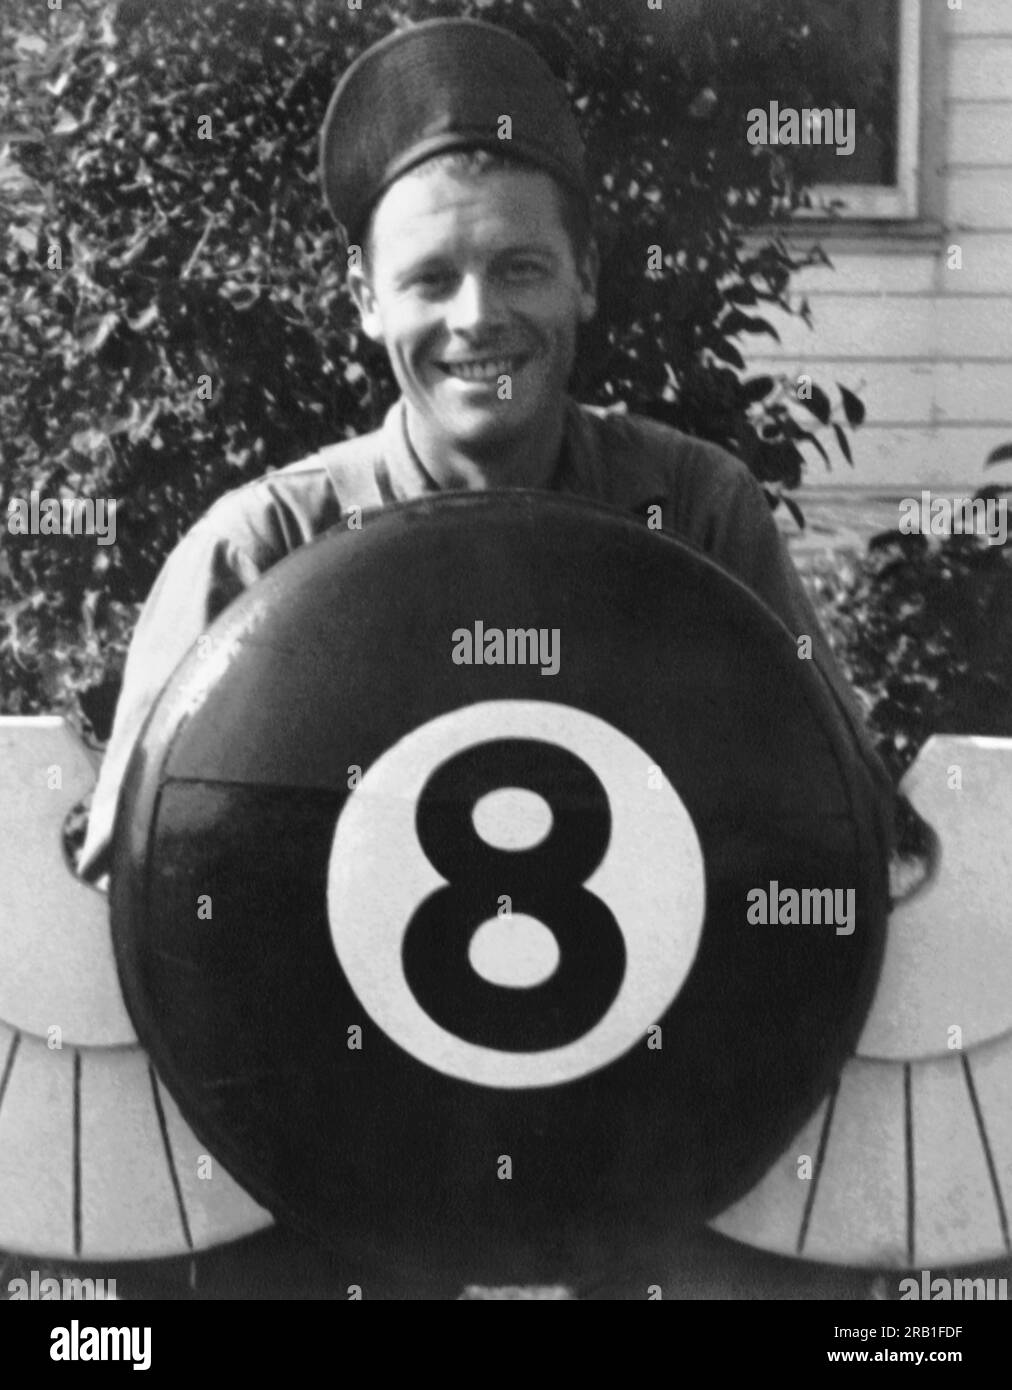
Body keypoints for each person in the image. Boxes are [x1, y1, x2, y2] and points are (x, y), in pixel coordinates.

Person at [78, 15, 893, 883]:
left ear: (584, 276)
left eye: (520, 268)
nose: (477, 318)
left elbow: (841, 822)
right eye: (431, 279)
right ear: (366, 300)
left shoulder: (694, 512)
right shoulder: (263, 551)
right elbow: (138, 890)